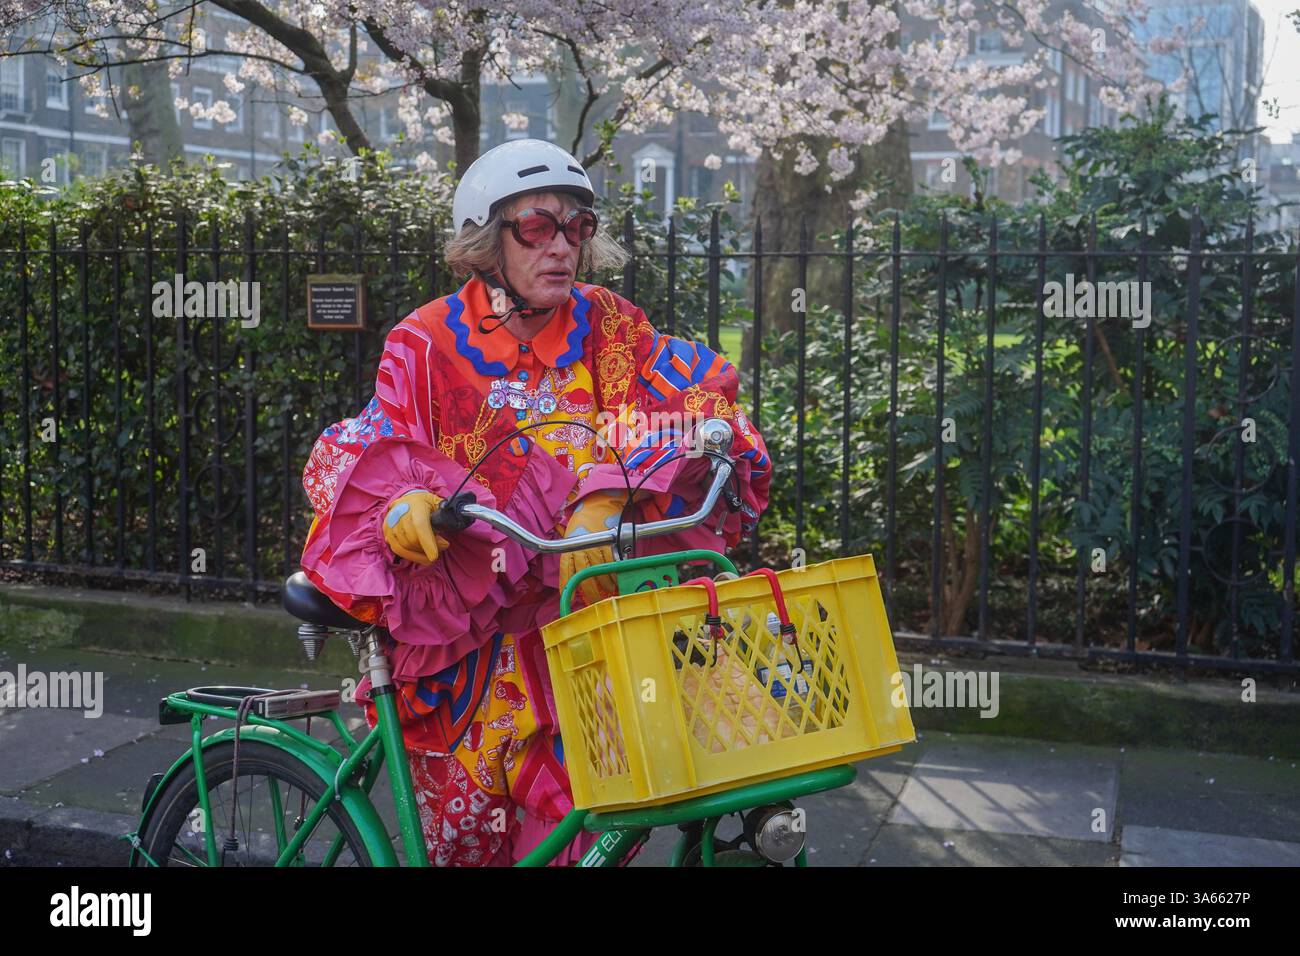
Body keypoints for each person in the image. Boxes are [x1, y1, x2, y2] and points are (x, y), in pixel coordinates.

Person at [299, 139, 771, 866]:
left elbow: (696, 404)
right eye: (537, 227)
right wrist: (404, 508)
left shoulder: (612, 328)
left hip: (583, 625)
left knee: (586, 833)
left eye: (576, 228)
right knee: (462, 844)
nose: (562, 247)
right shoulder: (424, 343)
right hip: (468, 647)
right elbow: (368, 448)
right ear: (488, 242)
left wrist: (621, 489)